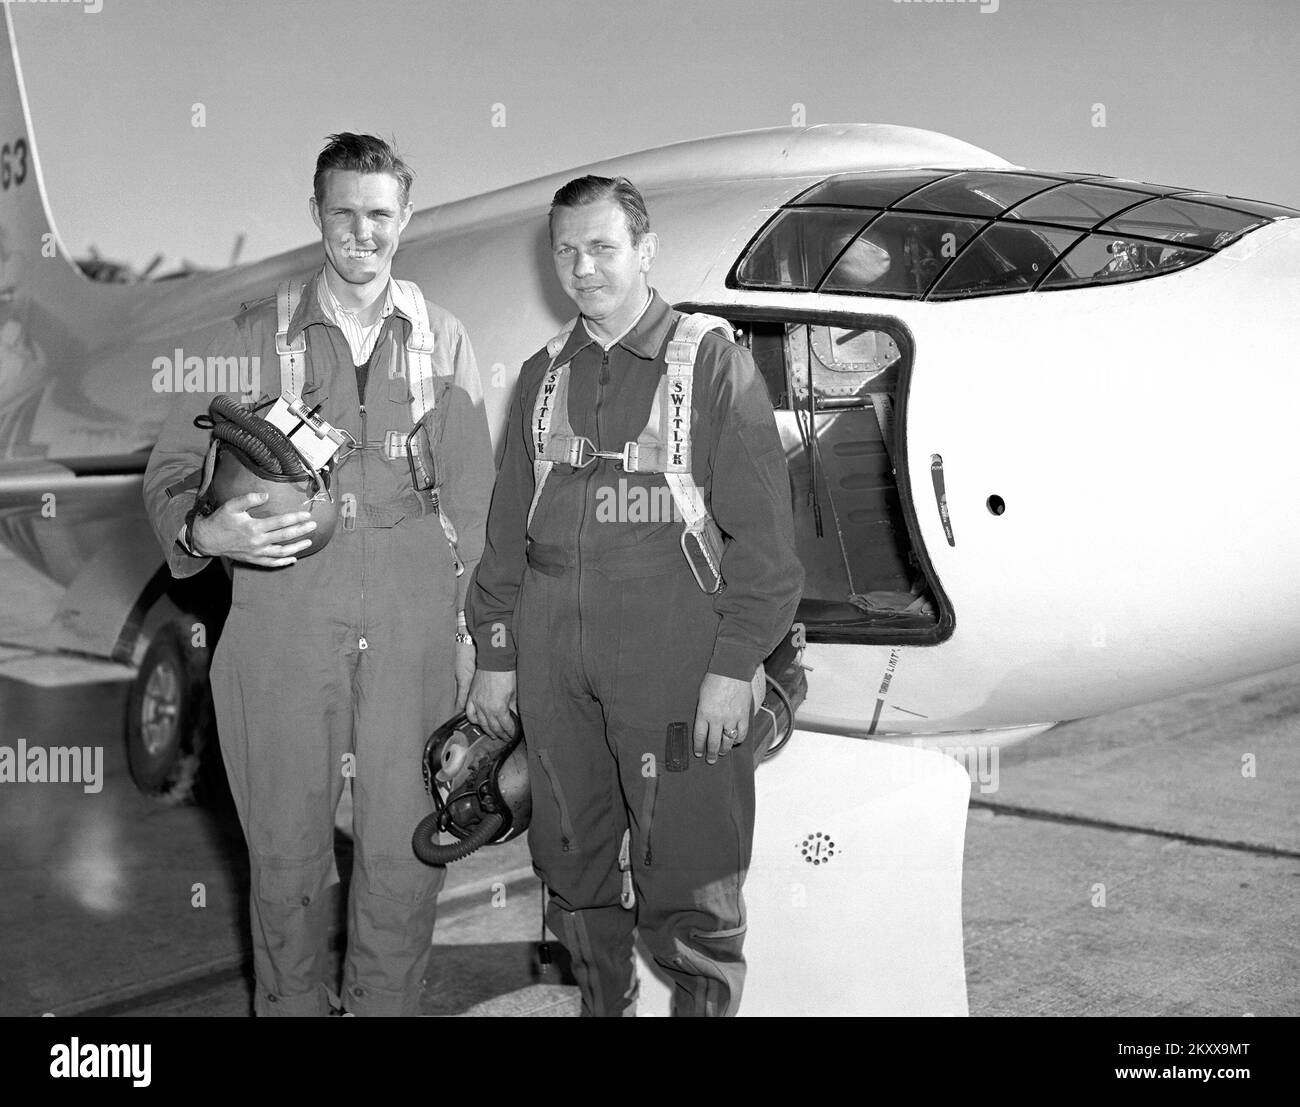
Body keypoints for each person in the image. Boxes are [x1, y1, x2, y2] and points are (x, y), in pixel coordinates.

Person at [142, 133, 494, 1017]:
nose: (361, 231)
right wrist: (205, 526)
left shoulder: (446, 338)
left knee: (403, 850)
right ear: (316, 215)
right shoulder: (252, 331)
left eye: (380, 213)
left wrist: (490, 648)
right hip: (283, 606)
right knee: (286, 848)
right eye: (343, 211)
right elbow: (172, 465)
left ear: (404, 219)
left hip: (414, 602)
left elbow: (480, 507)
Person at [466, 175, 802, 1016]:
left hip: (675, 666)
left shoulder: (712, 361)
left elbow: (765, 543)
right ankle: (600, 1007)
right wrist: (497, 657)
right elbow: (507, 536)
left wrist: (735, 666)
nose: (583, 268)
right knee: (570, 860)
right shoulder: (543, 376)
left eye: (603, 247)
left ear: (646, 250)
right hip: (555, 667)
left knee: (690, 872)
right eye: (567, 250)